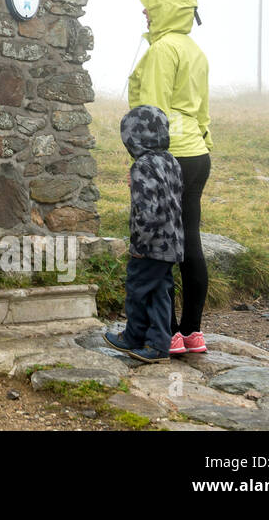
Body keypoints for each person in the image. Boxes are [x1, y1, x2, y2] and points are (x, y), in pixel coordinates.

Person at [128, 0, 212, 355]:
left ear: (165, 9)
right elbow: (202, 109)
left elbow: (153, 110)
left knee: (161, 246)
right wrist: (203, 142)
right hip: (196, 153)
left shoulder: (163, 49)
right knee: (189, 240)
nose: (145, 13)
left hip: (168, 156)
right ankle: (191, 332)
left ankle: (167, 334)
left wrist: (145, 159)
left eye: (150, 7)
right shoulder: (195, 50)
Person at [105, 105, 186, 362]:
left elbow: (147, 211)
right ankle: (158, 345)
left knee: (138, 287)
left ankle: (134, 335)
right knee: (160, 291)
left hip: (151, 244)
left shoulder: (142, 165)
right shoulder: (171, 161)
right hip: (173, 242)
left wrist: (139, 244)